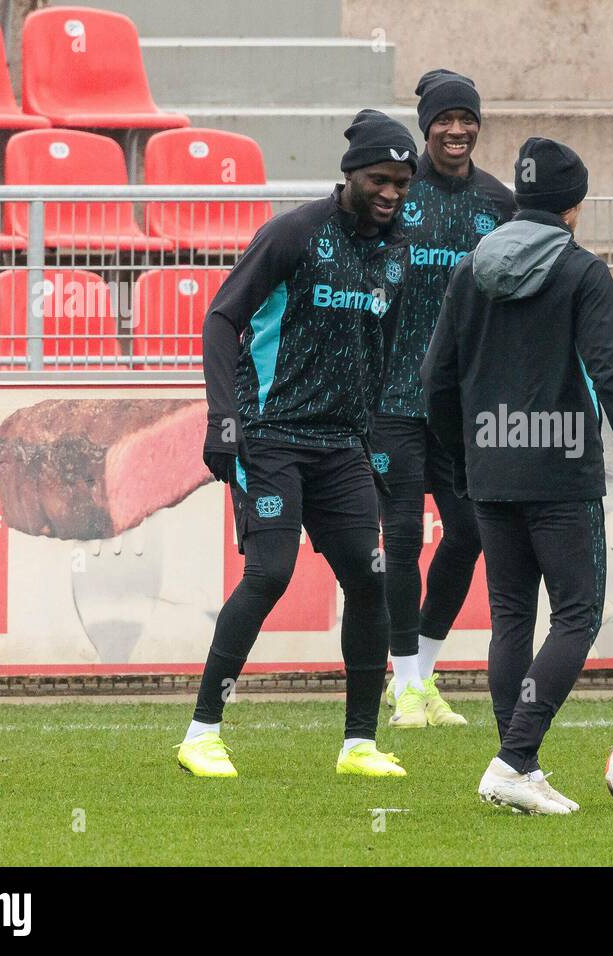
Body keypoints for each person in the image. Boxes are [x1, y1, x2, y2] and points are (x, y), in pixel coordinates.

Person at [422, 137, 613, 813]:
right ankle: (513, 760)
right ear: (574, 207)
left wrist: (462, 459)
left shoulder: (469, 270)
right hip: (560, 470)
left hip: (490, 467)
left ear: (518, 198)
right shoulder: (582, 273)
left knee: (511, 617)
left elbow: (435, 382)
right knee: (576, 616)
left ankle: (521, 764)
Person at [177, 109, 418, 779]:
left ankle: (359, 745)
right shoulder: (292, 234)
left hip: (342, 443)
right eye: (380, 178)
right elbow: (222, 319)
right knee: (270, 575)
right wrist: (224, 420)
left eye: (402, 182)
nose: (391, 193)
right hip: (271, 435)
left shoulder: (397, 250)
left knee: (370, 581)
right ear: (350, 174)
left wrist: (375, 436)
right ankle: (202, 732)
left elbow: (384, 349)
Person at [373, 69, 516, 730]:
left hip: (461, 407)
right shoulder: (396, 194)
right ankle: (401, 683)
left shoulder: (499, 204)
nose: (456, 130)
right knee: (400, 537)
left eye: (466, 118)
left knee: (467, 533)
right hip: (393, 398)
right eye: (444, 120)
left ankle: (422, 677)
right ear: (426, 126)